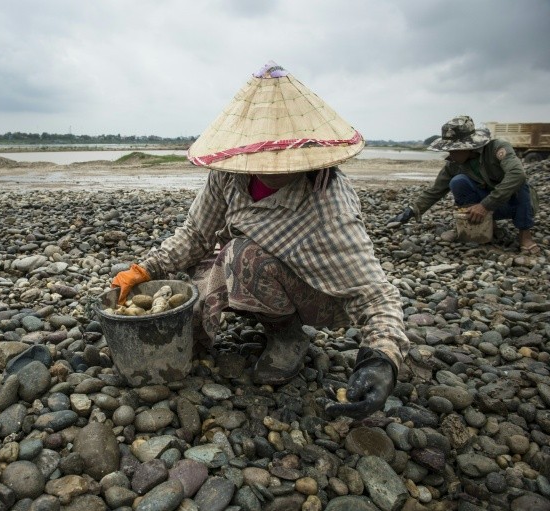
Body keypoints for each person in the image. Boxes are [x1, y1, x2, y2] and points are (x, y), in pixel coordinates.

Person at [112, 61, 409, 419]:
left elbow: (374, 293)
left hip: (321, 292)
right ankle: (255, 322)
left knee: (240, 255)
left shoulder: (327, 198)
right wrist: (144, 269)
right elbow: (196, 234)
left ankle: (288, 335)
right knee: (198, 272)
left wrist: (380, 360)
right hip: (260, 271)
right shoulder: (229, 176)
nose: (265, 164)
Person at [390, 115, 539, 254]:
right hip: (487, 208)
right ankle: (487, 227)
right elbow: (435, 190)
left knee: (520, 184)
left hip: (516, 204)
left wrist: (485, 206)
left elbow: (517, 175)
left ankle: (525, 234)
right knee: (458, 182)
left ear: (468, 146)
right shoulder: (454, 164)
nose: (449, 153)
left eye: (453, 149)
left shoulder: (496, 148)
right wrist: (411, 211)